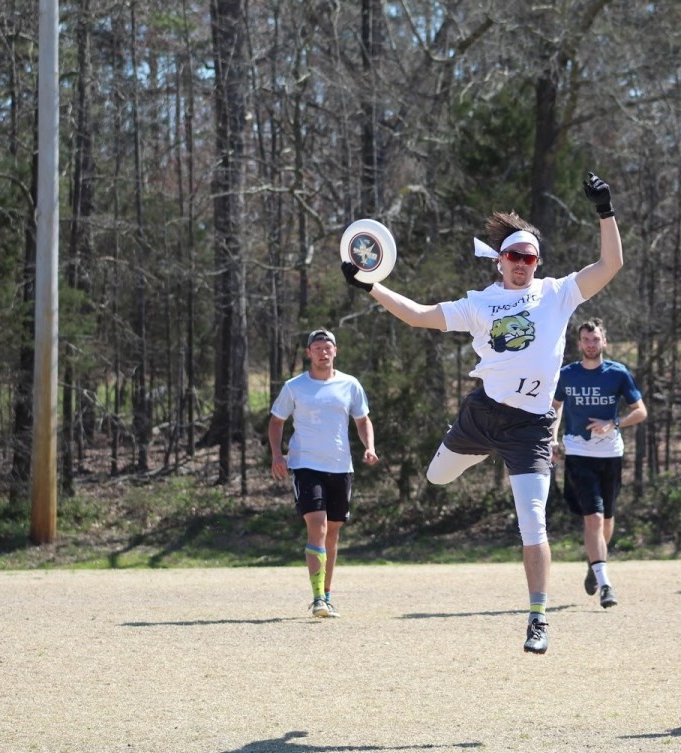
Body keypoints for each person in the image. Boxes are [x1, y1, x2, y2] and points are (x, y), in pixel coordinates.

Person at [341, 172, 623, 655]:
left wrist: (605, 210)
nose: (522, 264)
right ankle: (475, 452)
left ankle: (538, 618)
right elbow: (418, 315)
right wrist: (369, 285)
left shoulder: (557, 292)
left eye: (530, 257)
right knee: (437, 477)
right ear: (499, 261)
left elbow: (610, 264)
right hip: (483, 415)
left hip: (531, 428)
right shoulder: (480, 304)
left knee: (533, 521)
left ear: (538, 262)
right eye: (514, 256)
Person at [268, 329, 379, 619]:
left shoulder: (349, 384)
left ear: (335, 351)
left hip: (340, 466)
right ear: (309, 353)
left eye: (327, 347)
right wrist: (277, 454)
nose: (322, 352)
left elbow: (362, 419)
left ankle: (327, 596)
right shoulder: (295, 387)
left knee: (332, 534)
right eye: (316, 347)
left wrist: (369, 447)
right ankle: (317, 598)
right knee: (317, 526)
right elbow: (276, 421)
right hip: (305, 464)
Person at [552, 317, 646, 609]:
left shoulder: (617, 374)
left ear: (604, 342)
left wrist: (613, 423)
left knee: (606, 520)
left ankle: (594, 563)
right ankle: (606, 584)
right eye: (585, 340)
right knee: (592, 518)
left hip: (611, 455)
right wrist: (552, 439)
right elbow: (554, 409)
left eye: (595, 340)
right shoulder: (567, 375)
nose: (590, 345)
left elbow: (640, 411)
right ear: (579, 344)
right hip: (579, 453)